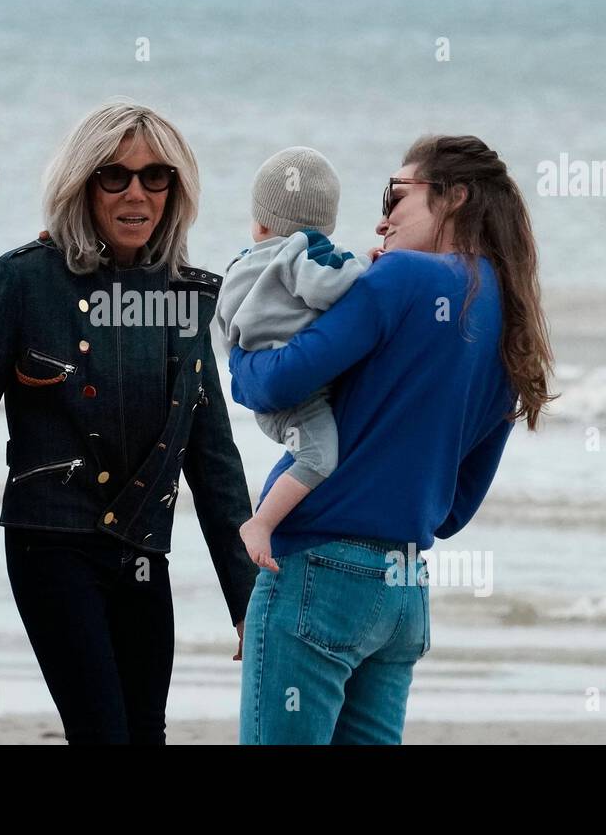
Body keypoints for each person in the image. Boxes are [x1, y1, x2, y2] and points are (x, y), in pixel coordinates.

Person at [0, 99, 258, 744]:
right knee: (101, 733)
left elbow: (214, 458)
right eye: (114, 176)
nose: (136, 193)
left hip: (144, 551)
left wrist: (248, 599)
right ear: (82, 185)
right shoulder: (25, 282)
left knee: (142, 735)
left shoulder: (187, 297)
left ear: (175, 191)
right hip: (52, 543)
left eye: (157, 177)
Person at [229, 134, 556, 744]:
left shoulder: (402, 277)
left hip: (316, 573)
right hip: (402, 591)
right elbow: (455, 509)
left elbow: (277, 384)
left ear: (455, 197)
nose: (383, 216)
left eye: (396, 194)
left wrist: (236, 351)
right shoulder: (510, 314)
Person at [216, 146, 366, 573]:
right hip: (297, 394)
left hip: (260, 385)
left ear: (259, 223)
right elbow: (327, 287)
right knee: (319, 458)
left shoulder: (242, 263)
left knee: (306, 455)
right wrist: (365, 266)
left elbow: (227, 320)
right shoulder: (302, 251)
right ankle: (260, 523)